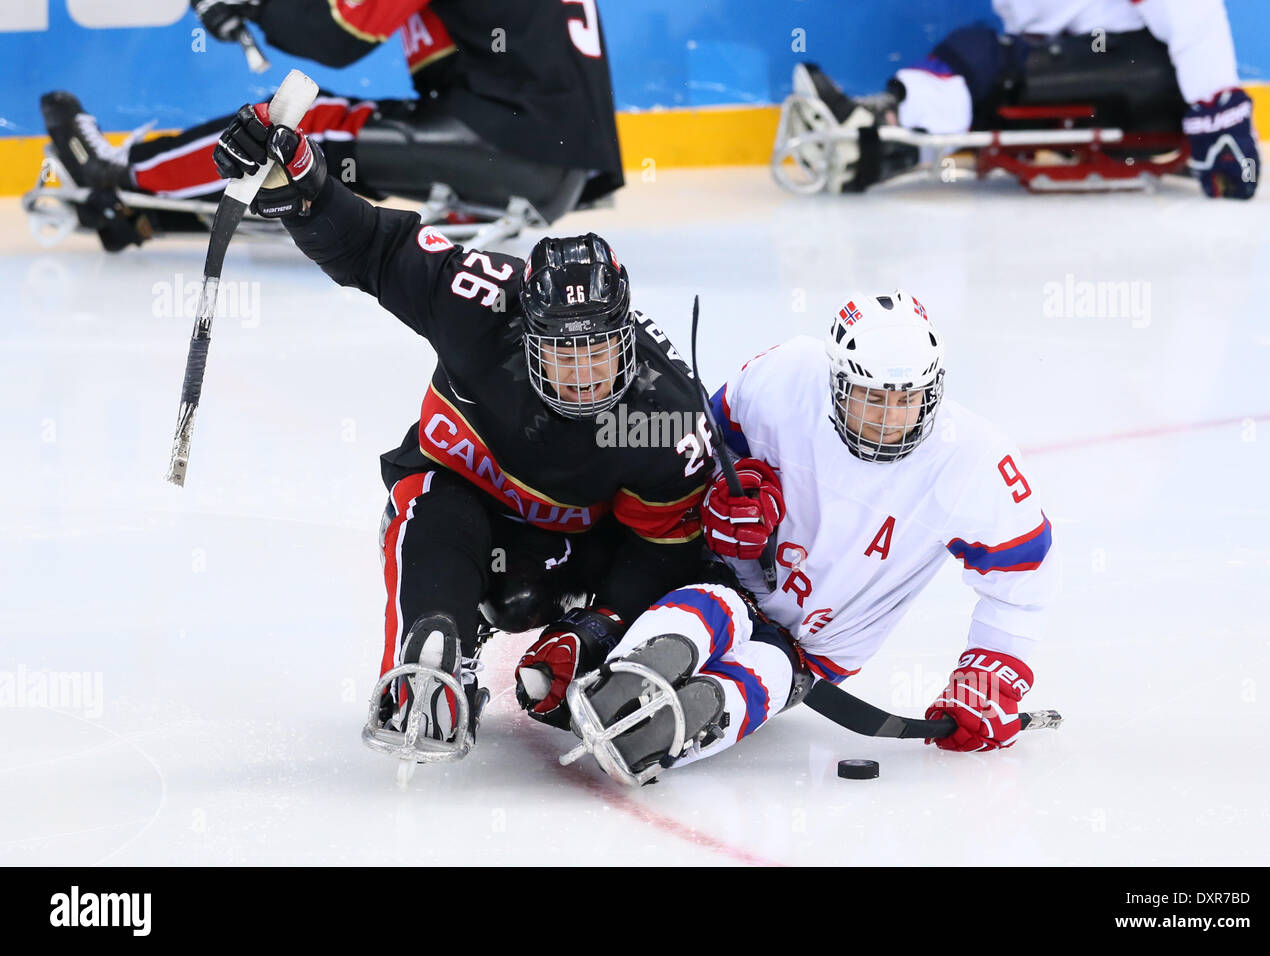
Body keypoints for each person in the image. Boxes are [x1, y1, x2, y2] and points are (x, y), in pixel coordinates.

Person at [212, 103, 712, 765]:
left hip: (561, 549)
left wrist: (596, 629)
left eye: (598, 350)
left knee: (519, 593)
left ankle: (488, 629)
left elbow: (665, 551)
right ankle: (431, 638)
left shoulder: (667, 416)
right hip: (456, 488)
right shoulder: (477, 299)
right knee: (430, 509)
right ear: (524, 327)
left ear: (630, 337)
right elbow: (374, 246)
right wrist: (301, 189)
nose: (584, 374)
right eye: (562, 353)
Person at [558, 291, 1061, 783]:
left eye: (906, 399)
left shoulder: (973, 460)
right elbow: (693, 460)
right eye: (870, 398)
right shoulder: (785, 378)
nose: (888, 419)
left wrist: (987, 679)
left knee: (771, 670)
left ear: (933, 390)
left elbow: (1022, 583)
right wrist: (722, 501)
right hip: (731, 580)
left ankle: (670, 736)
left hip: (819, 648)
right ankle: (617, 682)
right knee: (709, 606)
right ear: (837, 381)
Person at [38, 0, 622, 250]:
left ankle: (114, 172)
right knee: (352, 147)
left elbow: (342, 33)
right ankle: (173, 202)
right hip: (556, 166)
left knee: (303, 124)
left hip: (509, 145)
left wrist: (255, 6)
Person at [778, 0, 1259, 199]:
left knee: (984, 61)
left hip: (1137, 77)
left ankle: (877, 126)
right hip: (1089, 62)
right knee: (991, 71)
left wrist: (1220, 123)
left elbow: (1195, 16)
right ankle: (885, 143)